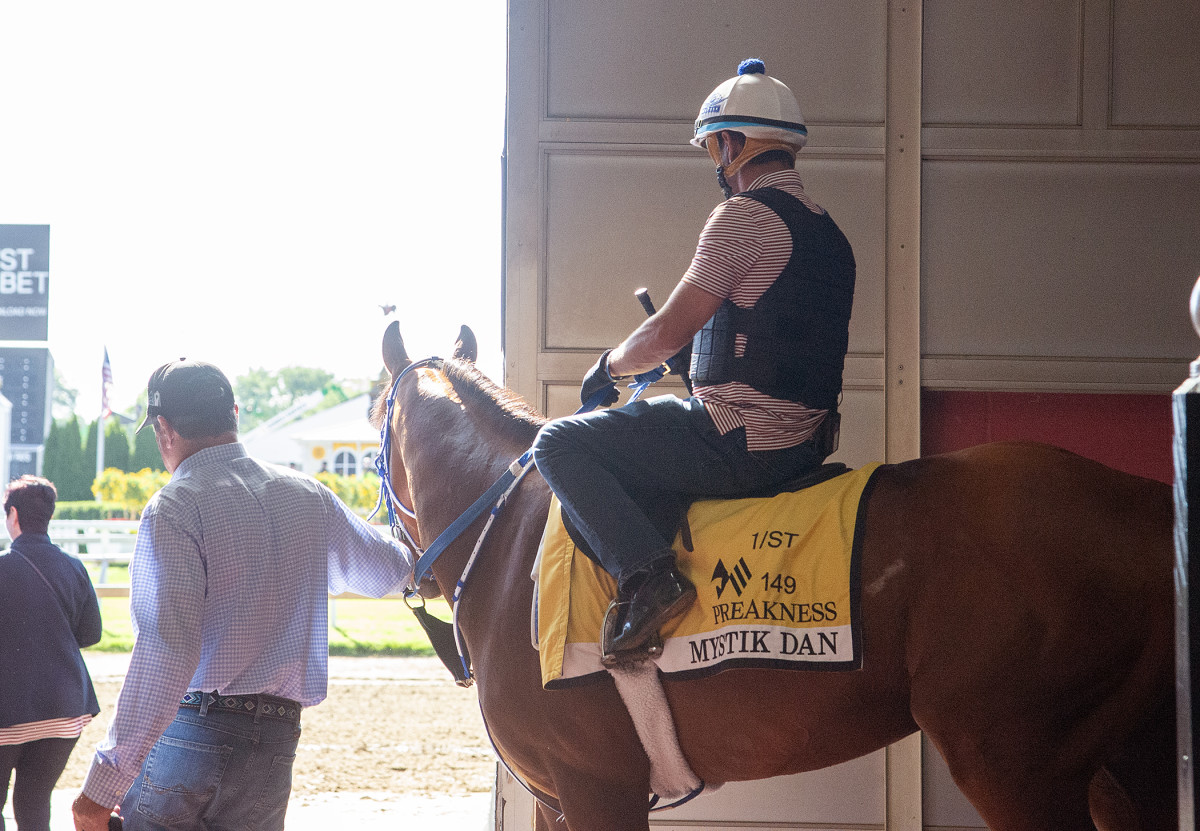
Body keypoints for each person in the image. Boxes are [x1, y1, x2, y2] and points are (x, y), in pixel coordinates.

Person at [533, 59, 857, 663]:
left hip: (737, 440)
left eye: (714, 147)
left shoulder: (742, 216)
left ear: (734, 145)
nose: (716, 160)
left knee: (557, 444)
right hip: (805, 444)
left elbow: (663, 332)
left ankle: (650, 579)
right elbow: (777, 334)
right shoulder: (830, 233)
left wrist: (609, 367)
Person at [71, 359, 415, 831]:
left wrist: (102, 785)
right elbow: (393, 571)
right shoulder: (309, 495)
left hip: (196, 728)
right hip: (275, 741)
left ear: (164, 430)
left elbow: (165, 654)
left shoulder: (174, 507)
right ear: (234, 413)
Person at [0, 476, 102, 831]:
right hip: (64, 711)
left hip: (6, 713)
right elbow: (91, 634)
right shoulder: (74, 566)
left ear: (13, 515)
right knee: (34, 803)